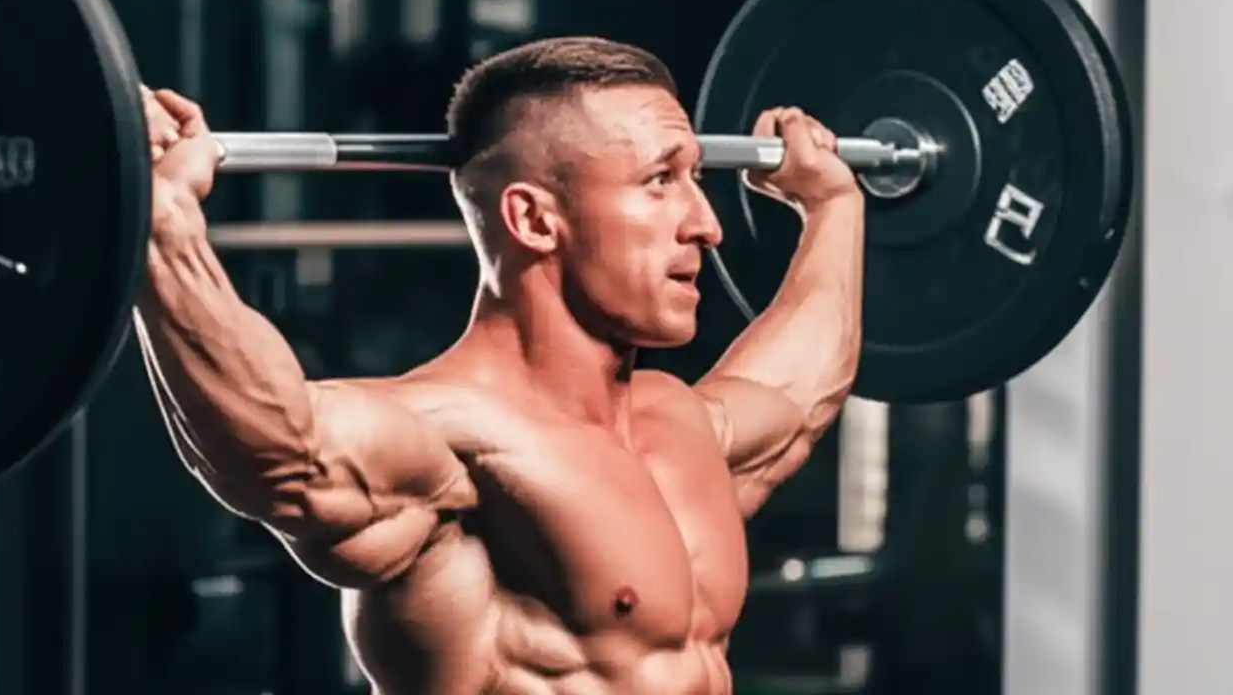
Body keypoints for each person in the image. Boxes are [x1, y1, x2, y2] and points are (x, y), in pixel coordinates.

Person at [134, 36, 864, 694]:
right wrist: (161, 225)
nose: (706, 223)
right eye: (659, 181)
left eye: (696, 178)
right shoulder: (452, 443)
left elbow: (796, 394)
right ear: (534, 219)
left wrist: (835, 207)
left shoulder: (679, 424)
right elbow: (278, 450)